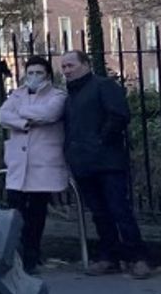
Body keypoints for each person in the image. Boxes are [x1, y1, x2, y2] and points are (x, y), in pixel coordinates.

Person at [59, 49, 152, 279]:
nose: (67, 71)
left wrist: (101, 141)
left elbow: (119, 116)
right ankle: (110, 256)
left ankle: (137, 256)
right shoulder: (70, 96)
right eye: (64, 67)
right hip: (83, 161)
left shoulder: (103, 86)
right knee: (99, 212)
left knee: (119, 208)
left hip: (107, 160)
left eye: (71, 65)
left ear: (85, 64)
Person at [0, 55, 70, 273]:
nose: (34, 77)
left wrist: (18, 114)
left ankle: (32, 257)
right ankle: (17, 255)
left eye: (39, 73)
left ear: (47, 75)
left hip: (42, 164)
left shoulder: (57, 96)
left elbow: (48, 114)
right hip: (18, 164)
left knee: (36, 215)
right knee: (15, 212)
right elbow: (2, 115)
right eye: (30, 73)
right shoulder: (16, 94)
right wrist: (26, 121)